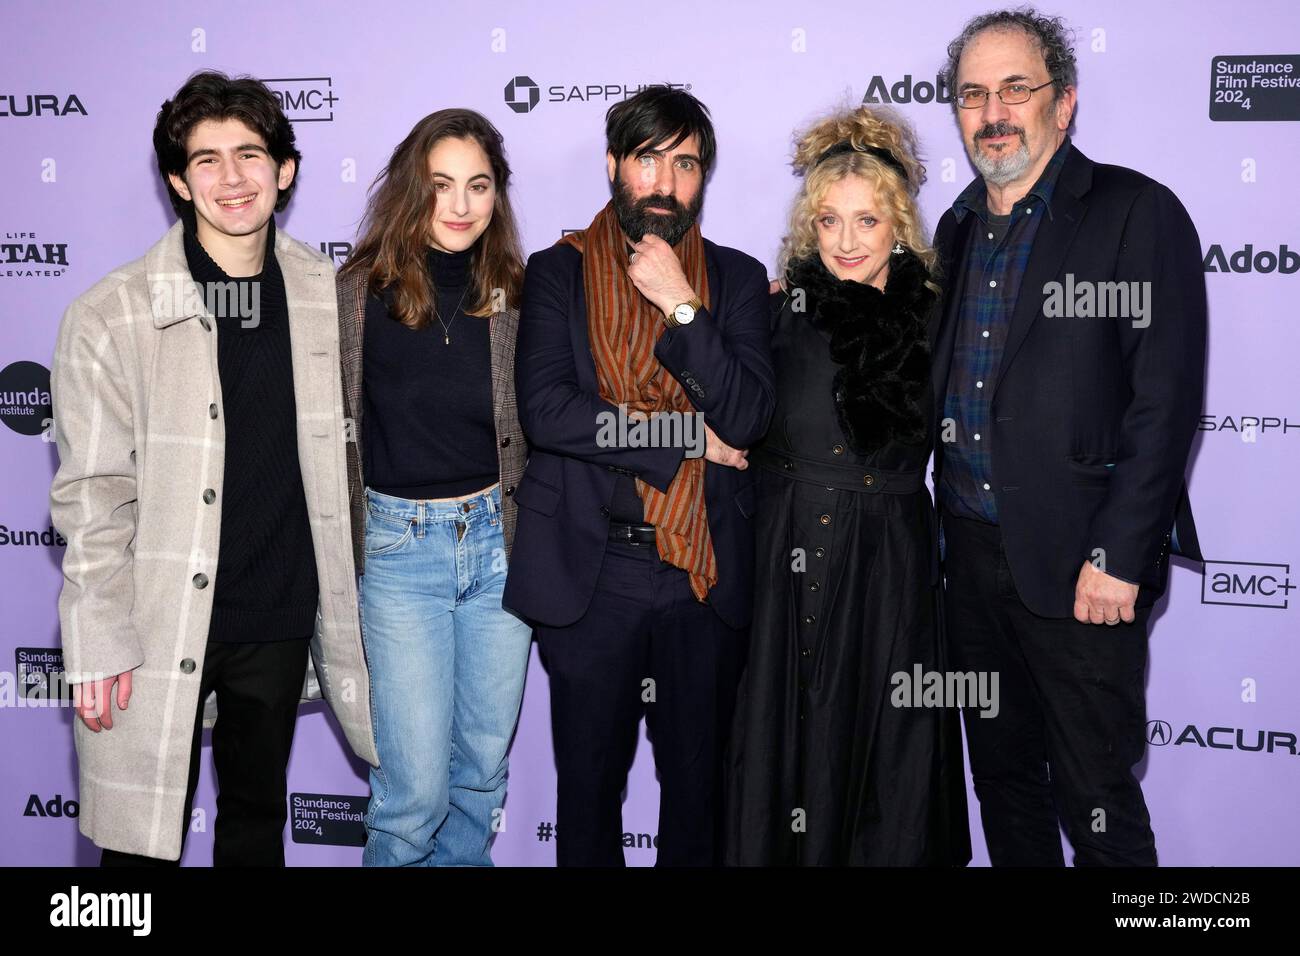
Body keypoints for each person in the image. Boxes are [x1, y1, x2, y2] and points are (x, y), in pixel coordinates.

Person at [49, 70, 376, 865]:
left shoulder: (325, 294)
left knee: (257, 829)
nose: (232, 179)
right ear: (176, 180)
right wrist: (95, 638)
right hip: (157, 618)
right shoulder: (112, 313)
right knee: (133, 849)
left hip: (276, 612)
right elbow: (92, 496)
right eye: (206, 160)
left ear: (285, 170)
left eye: (250, 155)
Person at [933, 8, 1206, 866]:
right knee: (1005, 786)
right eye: (974, 94)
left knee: (1096, 798)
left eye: (1017, 88)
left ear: (1065, 102)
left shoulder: (1137, 212)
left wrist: (1121, 555)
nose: (994, 111)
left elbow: (1164, 404)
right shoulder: (954, 226)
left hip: (1086, 567)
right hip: (971, 564)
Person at [504, 86, 774, 866]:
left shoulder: (736, 279)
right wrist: (688, 435)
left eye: (685, 164)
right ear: (615, 165)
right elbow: (550, 411)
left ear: (702, 179)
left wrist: (683, 306)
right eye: (649, 158)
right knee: (587, 794)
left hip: (703, 575)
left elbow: (749, 417)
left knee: (699, 796)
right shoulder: (557, 271)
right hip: (593, 575)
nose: (665, 181)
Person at [724, 106, 970, 866]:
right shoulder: (772, 312)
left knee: (885, 752)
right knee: (781, 738)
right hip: (782, 553)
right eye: (829, 221)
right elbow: (733, 412)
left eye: (867, 220)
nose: (848, 241)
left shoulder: (941, 318)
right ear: (810, 225)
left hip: (889, 566)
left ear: (898, 223)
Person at [335, 109, 531, 866]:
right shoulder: (355, 296)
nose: (460, 205)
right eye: (441, 184)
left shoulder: (519, 292)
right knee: (412, 794)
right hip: (398, 554)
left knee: (479, 778)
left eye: (478, 186)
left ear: (497, 196)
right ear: (410, 190)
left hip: (499, 550)